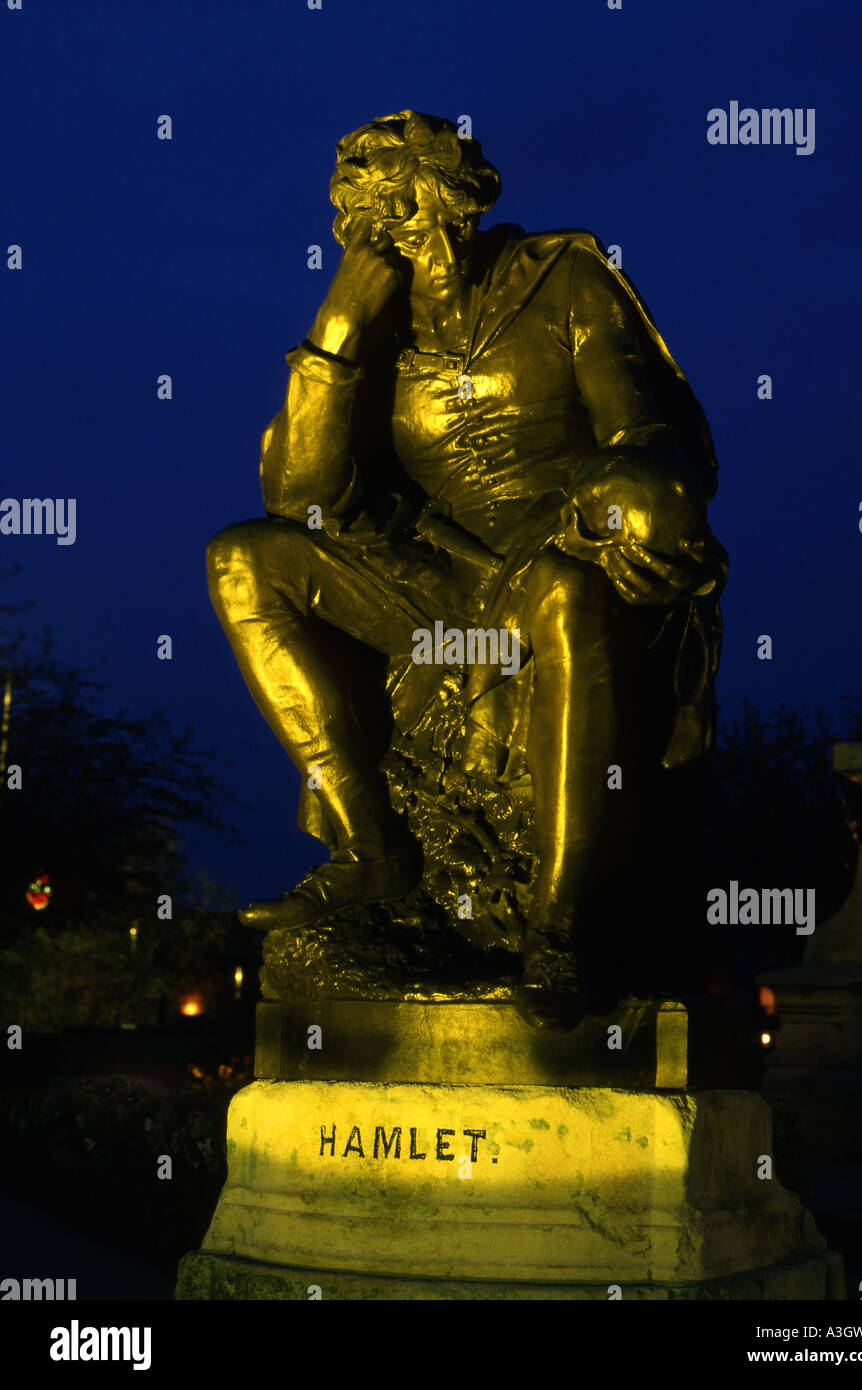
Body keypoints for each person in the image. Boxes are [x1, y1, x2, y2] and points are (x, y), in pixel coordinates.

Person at [207, 110, 726, 1029]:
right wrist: (334, 333)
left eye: (410, 201)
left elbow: (639, 429)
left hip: (557, 559)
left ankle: (561, 925)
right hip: (439, 588)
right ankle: (373, 853)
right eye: (374, 216)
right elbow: (303, 502)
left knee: (568, 594)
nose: (402, 229)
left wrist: (623, 494)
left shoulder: (562, 278)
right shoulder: (373, 332)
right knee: (243, 560)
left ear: (457, 197)